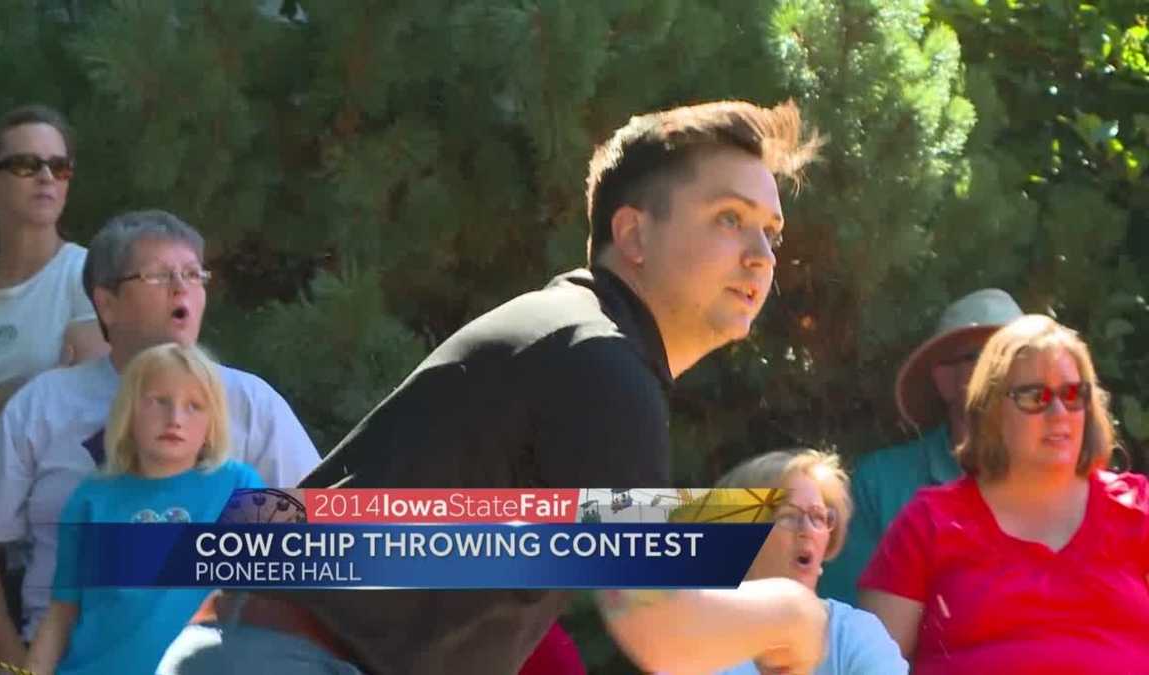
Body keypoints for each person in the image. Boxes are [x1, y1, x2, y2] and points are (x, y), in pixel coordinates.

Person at [157, 99, 828, 675]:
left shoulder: (580, 341)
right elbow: (661, 624)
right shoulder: (600, 357)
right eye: (730, 218)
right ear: (633, 234)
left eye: (771, 232)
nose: (762, 257)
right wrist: (796, 614)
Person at [0, 210, 320, 669]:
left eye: (193, 274)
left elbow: (322, 536)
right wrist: (12, 659)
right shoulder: (44, 404)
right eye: (161, 275)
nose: (183, 288)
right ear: (107, 304)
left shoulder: (253, 404)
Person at [859, 315, 1149, 674]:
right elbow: (867, 665)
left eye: (1073, 394)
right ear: (992, 410)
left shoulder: (1138, 509)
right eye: (1035, 396)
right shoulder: (929, 522)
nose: (1059, 412)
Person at [0, 104, 107, 665]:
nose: (46, 177)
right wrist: (32, 392)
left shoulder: (93, 276)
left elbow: (76, 406)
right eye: (25, 164)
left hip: (46, 498)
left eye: (59, 167)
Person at [26, 343, 263, 675]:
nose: (175, 419)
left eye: (194, 406)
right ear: (128, 412)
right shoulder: (92, 498)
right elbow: (62, 611)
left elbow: (270, 595)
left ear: (213, 424)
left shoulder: (238, 486)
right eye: (159, 402)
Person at [818, 289, 1022, 605]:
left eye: (1022, 359)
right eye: (985, 356)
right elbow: (846, 621)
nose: (1010, 373)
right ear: (945, 380)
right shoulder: (879, 483)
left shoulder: (1065, 484)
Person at [713, 449, 907, 675]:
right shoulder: (692, 634)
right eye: (787, 516)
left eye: (818, 517)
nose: (808, 530)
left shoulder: (856, 635)